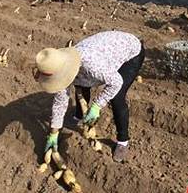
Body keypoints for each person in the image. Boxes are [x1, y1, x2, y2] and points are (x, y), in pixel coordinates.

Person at [34, 31, 145, 162]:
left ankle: (123, 141)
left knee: (117, 97)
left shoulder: (91, 65)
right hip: (104, 54)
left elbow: (116, 82)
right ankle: (80, 115)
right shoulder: (60, 66)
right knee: (80, 84)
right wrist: (54, 133)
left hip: (130, 52)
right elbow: (60, 101)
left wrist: (97, 105)